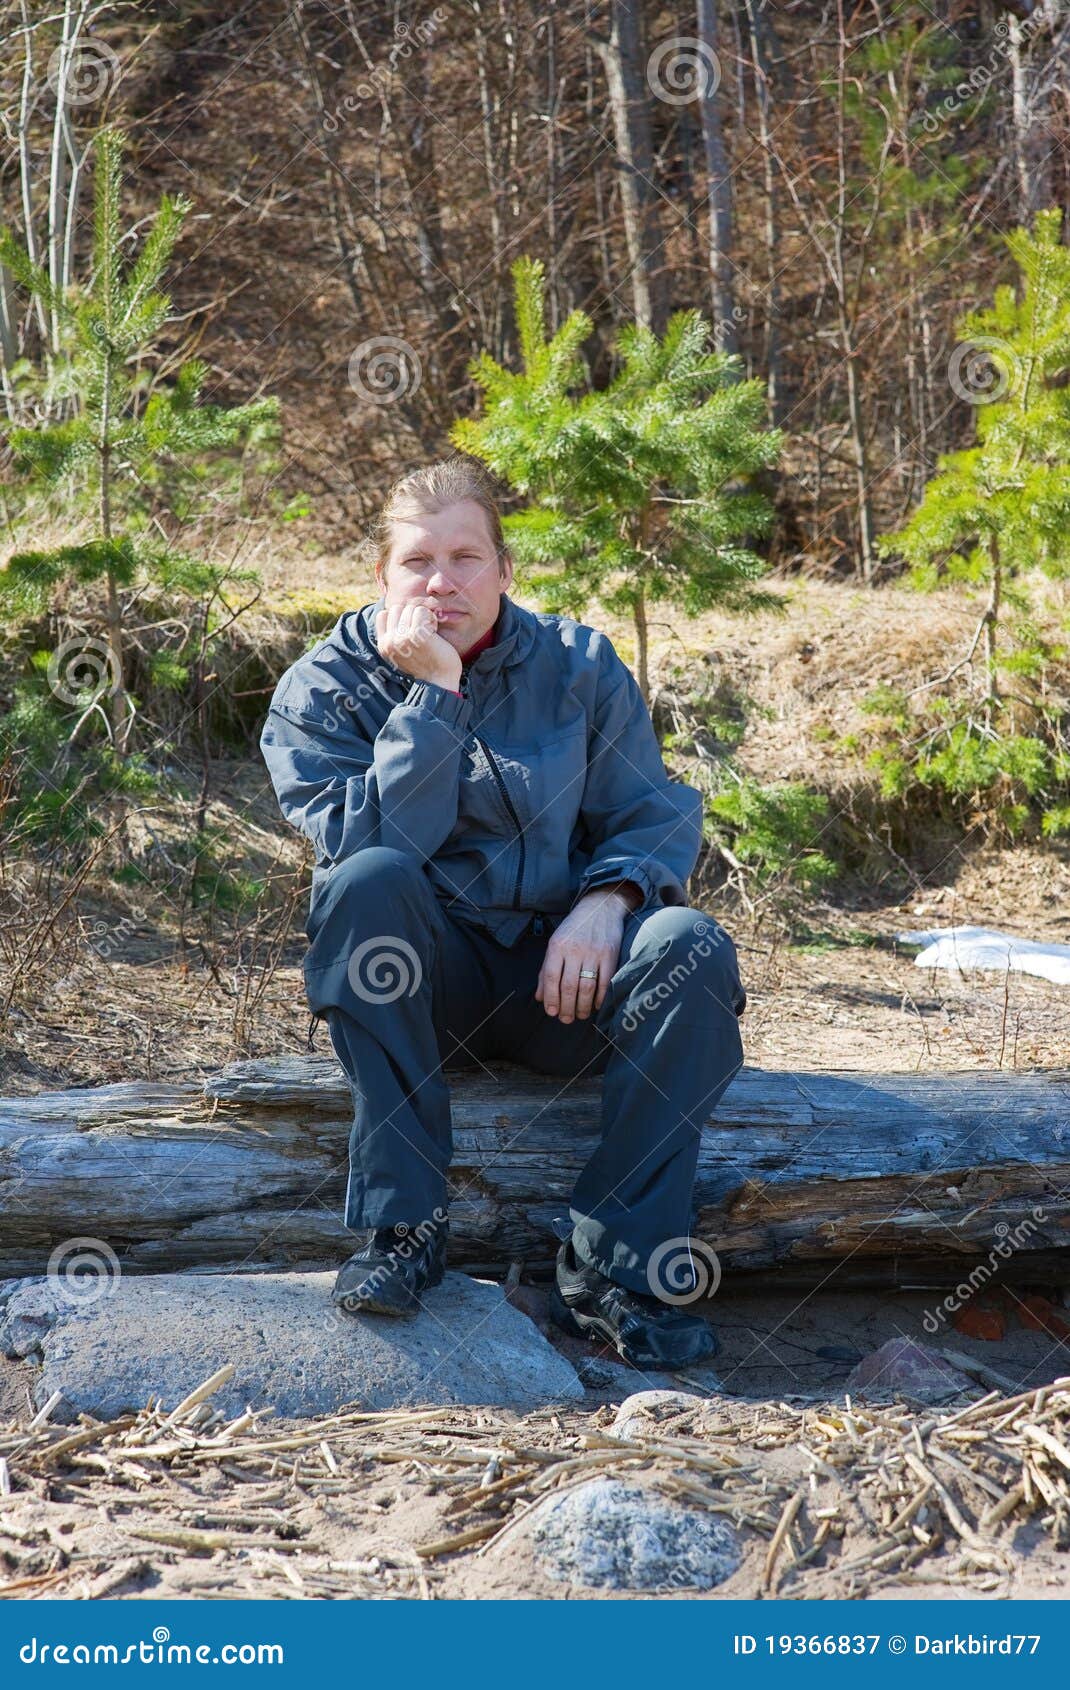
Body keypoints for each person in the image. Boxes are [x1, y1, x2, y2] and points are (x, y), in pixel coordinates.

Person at [259, 456, 747, 1368]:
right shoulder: (323, 689)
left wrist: (609, 900)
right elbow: (379, 845)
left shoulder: (577, 665)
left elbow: (650, 812)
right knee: (363, 884)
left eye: (467, 556)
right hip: (421, 990)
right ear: (381, 575)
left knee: (688, 944)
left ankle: (617, 1271)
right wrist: (432, 697)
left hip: (564, 984)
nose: (442, 581)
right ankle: (402, 1232)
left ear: (504, 568)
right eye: (416, 561)